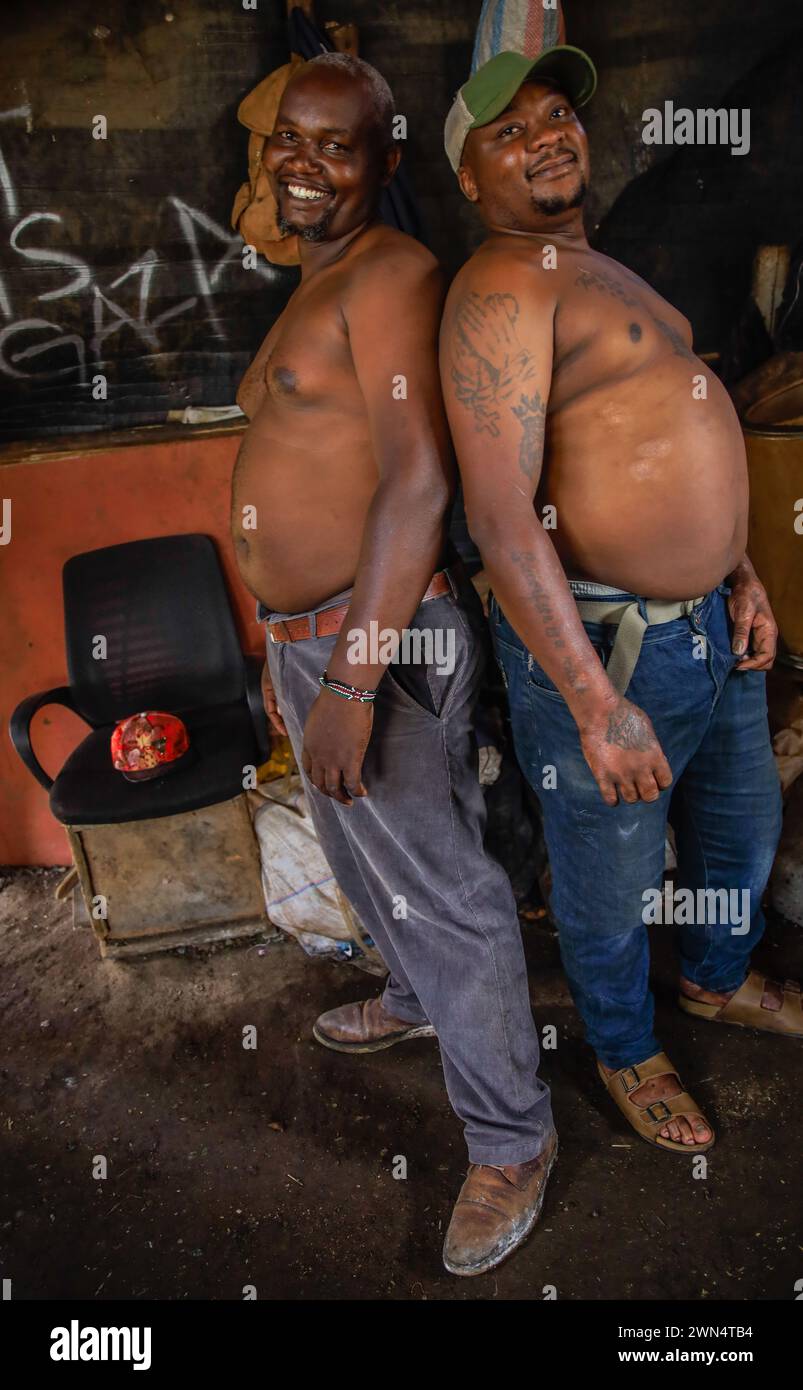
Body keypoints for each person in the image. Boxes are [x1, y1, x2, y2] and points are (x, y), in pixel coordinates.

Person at [440, 47, 799, 1156]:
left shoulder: (599, 269)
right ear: (466, 175)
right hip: (610, 648)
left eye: (557, 113)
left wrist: (735, 569)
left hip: (707, 628)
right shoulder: (497, 291)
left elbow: (666, 438)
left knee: (741, 834)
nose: (547, 133)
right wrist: (594, 706)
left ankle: (711, 979)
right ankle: (621, 1045)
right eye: (511, 129)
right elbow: (502, 521)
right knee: (609, 878)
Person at [231, 52, 556, 1276]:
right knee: (372, 859)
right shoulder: (317, 277)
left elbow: (418, 479)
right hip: (312, 641)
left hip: (381, 640)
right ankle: (416, 1002)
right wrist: (290, 654)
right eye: (290, 140)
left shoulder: (393, 274)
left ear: (385, 162)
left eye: (337, 144)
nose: (305, 162)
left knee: (450, 884)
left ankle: (512, 1139)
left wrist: (357, 682)